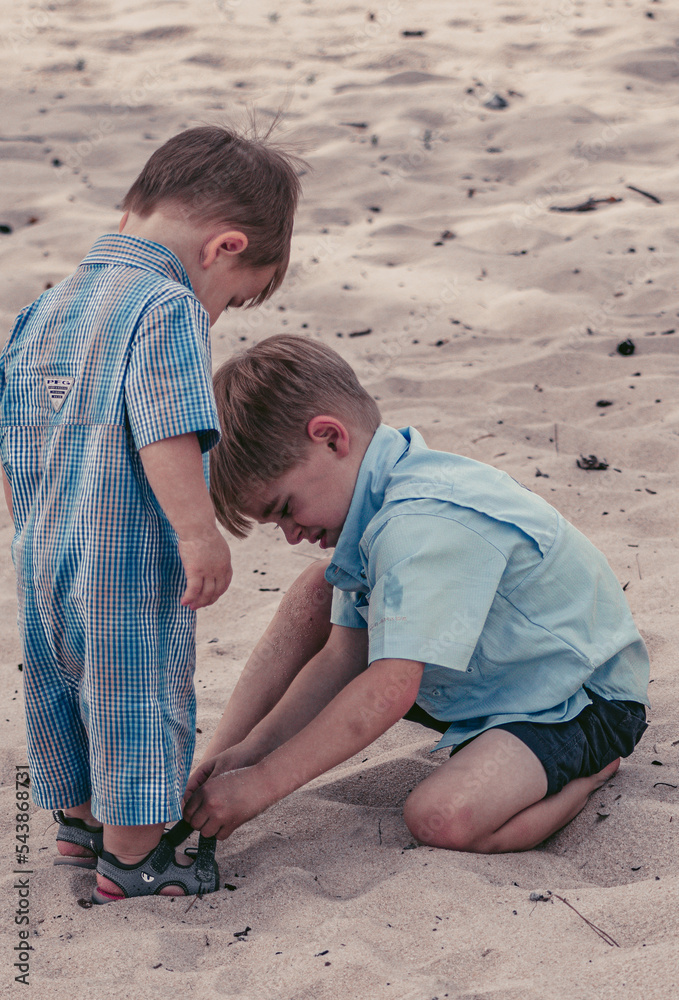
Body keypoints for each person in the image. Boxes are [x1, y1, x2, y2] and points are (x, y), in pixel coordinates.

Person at [183, 334, 649, 853]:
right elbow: (341, 658)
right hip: (487, 675)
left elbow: (389, 688)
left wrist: (266, 786)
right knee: (315, 588)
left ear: (331, 439)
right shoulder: (374, 498)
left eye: (286, 508)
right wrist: (254, 752)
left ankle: (590, 775)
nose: (291, 535)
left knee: (441, 818)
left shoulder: (421, 525)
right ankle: (220, 759)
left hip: (576, 699)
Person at [0, 127, 302, 902]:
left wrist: (28, 531)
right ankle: (135, 858)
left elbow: (14, 434)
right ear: (222, 247)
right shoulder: (164, 307)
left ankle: (79, 822)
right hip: (125, 559)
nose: (218, 314)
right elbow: (166, 427)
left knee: (59, 684)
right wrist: (198, 533)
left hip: (42, 552)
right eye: (231, 299)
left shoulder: (45, 307)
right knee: (137, 693)